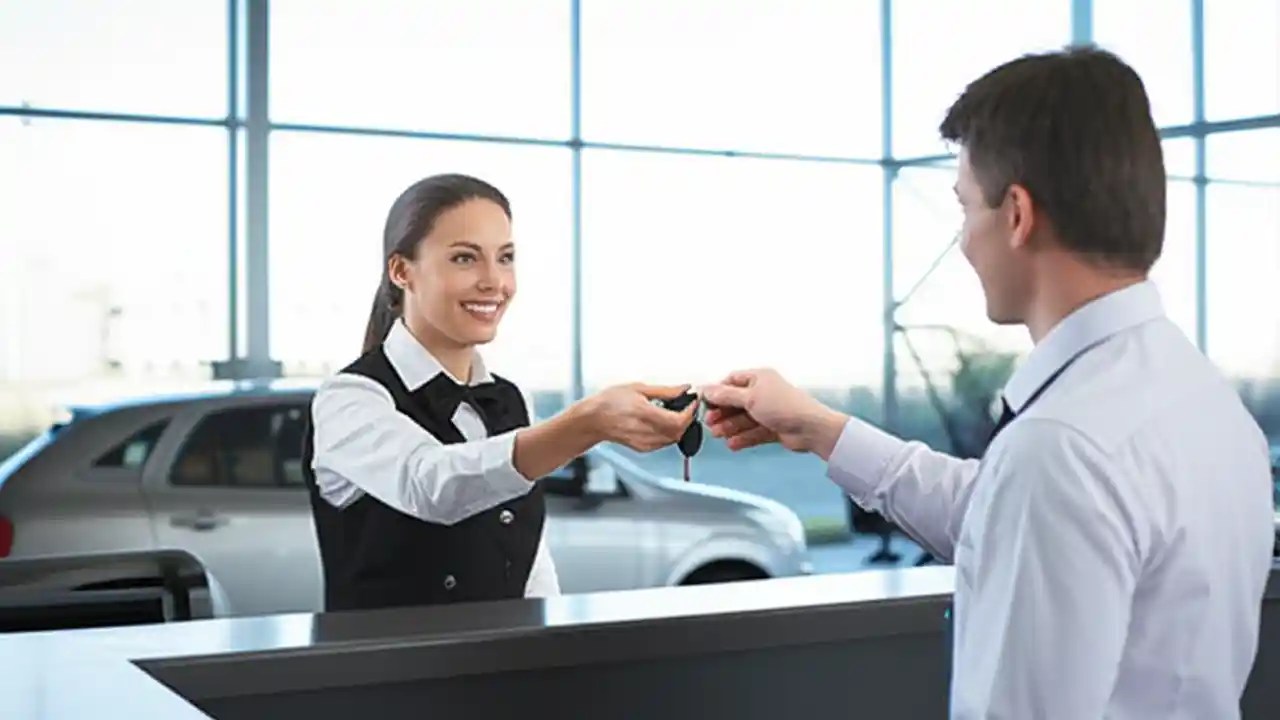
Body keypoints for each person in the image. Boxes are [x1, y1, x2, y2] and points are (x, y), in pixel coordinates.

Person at [701, 47, 1274, 719]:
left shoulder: (1062, 447)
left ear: (1017, 216)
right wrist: (821, 430)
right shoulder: (1201, 402)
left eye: (965, 206)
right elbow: (999, 514)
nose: (964, 240)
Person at [300, 173, 696, 612]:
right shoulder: (348, 397)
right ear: (401, 271)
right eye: (465, 259)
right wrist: (587, 424)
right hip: (390, 674)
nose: (494, 281)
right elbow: (431, 484)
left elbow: (528, 563)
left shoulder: (507, 398)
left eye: (505, 258)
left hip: (496, 670)